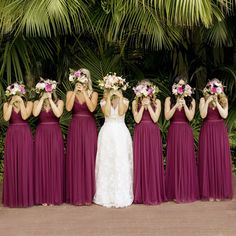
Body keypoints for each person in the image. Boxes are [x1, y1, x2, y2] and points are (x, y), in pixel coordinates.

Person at [94, 73, 133, 208]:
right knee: (107, 161)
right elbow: (108, 114)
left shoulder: (126, 101)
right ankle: (105, 194)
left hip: (121, 132)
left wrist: (120, 97)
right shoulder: (103, 102)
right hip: (107, 132)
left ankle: (121, 193)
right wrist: (110, 95)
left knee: (120, 161)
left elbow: (121, 112)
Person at [66, 68, 98, 205]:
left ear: (87, 80)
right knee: (76, 158)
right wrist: (74, 92)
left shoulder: (93, 93)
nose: (81, 80)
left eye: (84, 78)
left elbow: (91, 108)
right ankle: (76, 194)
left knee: (88, 158)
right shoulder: (69, 93)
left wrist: (84, 92)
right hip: (75, 126)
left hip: (88, 127)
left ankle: (88, 194)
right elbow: (68, 108)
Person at [164, 76, 199, 203]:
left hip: (185, 131)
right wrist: (175, 105)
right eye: (179, 85)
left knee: (186, 159)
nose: (181, 88)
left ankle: (186, 191)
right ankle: (174, 192)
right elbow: (167, 116)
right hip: (174, 131)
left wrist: (184, 105)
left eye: (183, 86)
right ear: (174, 87)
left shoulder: (192, 101)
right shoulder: (169, 99)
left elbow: (190, 118)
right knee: (174, 159)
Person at [198, 79, 233, 201]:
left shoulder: (223, 100)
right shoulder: (203, 99)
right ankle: (210, 192)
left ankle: (219, 192)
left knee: (219, 158)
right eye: (212, 86)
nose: (214, 88)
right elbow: (202, 115)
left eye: (216, 86)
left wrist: (217, 101)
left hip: (219, 131)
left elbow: (224, 115)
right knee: (208, 159)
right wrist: (208, 100)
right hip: (207, 130)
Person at [132, 80, 166, 204]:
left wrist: (148, 107)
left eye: (147, 88)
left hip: (152, 132)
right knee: (141, 161)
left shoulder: (157, 102)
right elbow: (137, 119)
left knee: (152, 160)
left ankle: (153, 193)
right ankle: (141, 194)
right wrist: (143, 107)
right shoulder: (135, 102)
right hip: (140, 132)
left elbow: (155, 118)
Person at [33, 79, 64, 206]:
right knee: (42, 163)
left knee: (54, 162)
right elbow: (35, 113)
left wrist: (50, 99)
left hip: (55, 133)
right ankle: (43, 197)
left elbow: (58, 114)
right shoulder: (36, 102)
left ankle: (54, 196)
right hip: (41, 133)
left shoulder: (59, 102)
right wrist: (42, 99)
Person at [2, 82, 34, 207]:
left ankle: (24, 197)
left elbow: (25, 116)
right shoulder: (6, 104)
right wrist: (10, 103)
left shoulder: (28, 103)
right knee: (12, 163)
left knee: (24, 163)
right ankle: (13, 198)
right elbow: (6, 117)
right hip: (12, 134)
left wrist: (20, 102)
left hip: (24, 134)